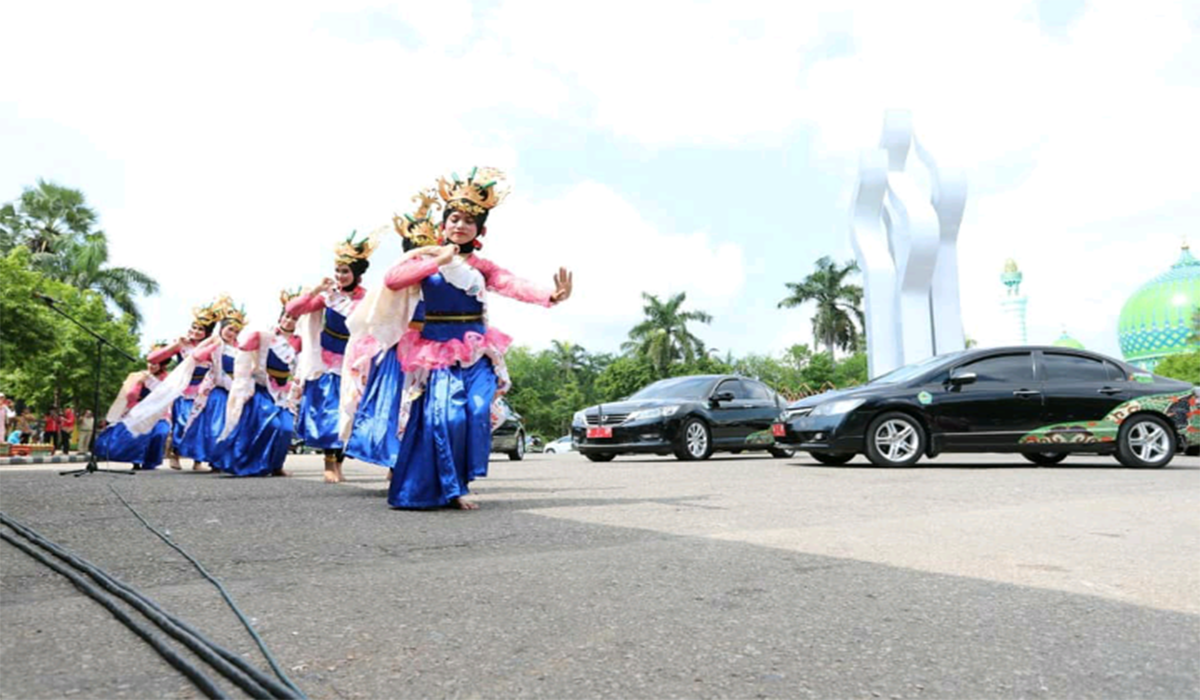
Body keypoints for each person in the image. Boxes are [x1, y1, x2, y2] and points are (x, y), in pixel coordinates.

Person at [379, 168, 573, 509]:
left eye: (469, 221)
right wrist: (436, 262)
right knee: (448, 417)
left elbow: (513, 284)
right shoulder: (424, 258)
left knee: (478, 410)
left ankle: (462, 479)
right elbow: (394, 280)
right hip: (437, 352)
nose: (460, 225)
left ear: (479, 230)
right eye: (454, 218)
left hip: (477, 350)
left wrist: (551, 296)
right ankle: (453, 488)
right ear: (443, 225)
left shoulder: (483, 267)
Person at [288, 231, 379, 483]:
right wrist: (316, 289)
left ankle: (339, 463)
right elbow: (294, 310)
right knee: (329, 412)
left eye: (345, 271)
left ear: (357, 273)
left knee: (348, 412)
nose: (340, 276)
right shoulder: (329, 296)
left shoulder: (367, 299)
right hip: (327, 361)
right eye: (338, 270)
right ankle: (329, 463)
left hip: (353, 361)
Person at [214, 293, 302, 477]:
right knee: (271, 425)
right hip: (263, 388)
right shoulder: (266, 335)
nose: (289, 321)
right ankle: (250, 463)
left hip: (283, 391)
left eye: (294, 318)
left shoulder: (299, 341)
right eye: (286, 316)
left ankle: (276, 465)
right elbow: (244, 348)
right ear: (280, 317)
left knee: (286, 429)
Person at [149, 301, 222, 469]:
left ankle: (198, 460)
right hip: (184, 390)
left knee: (200, 425)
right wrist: (175, 345)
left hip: (203, 391)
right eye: (194, 328)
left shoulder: (213, 347)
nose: (195, 332)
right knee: (182, 423)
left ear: (207, 332)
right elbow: (153, 359)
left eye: (200, 329)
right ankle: (175, 453)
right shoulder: (182, 344)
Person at [178, 307, 247, 471]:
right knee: (216, 425)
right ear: (222, 327)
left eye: (236, 331)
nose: (232, 333)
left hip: (234, 391)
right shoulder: (215, 344)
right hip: (216, 390)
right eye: (230, 329)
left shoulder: (240, 349)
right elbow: (196, 357)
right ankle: (214, 460)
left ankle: (224, 459)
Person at [92, 348, 173, 470]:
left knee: (160, 433)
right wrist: (139, 383)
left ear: (162, 365)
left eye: (156, 364)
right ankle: (136, 461)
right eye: (150, 363)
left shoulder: (169, 379)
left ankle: (150, 462)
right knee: (136, 433)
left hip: (159, 414)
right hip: (139, 412)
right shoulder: (138, 376)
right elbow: (130, 397)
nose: (152, 366)